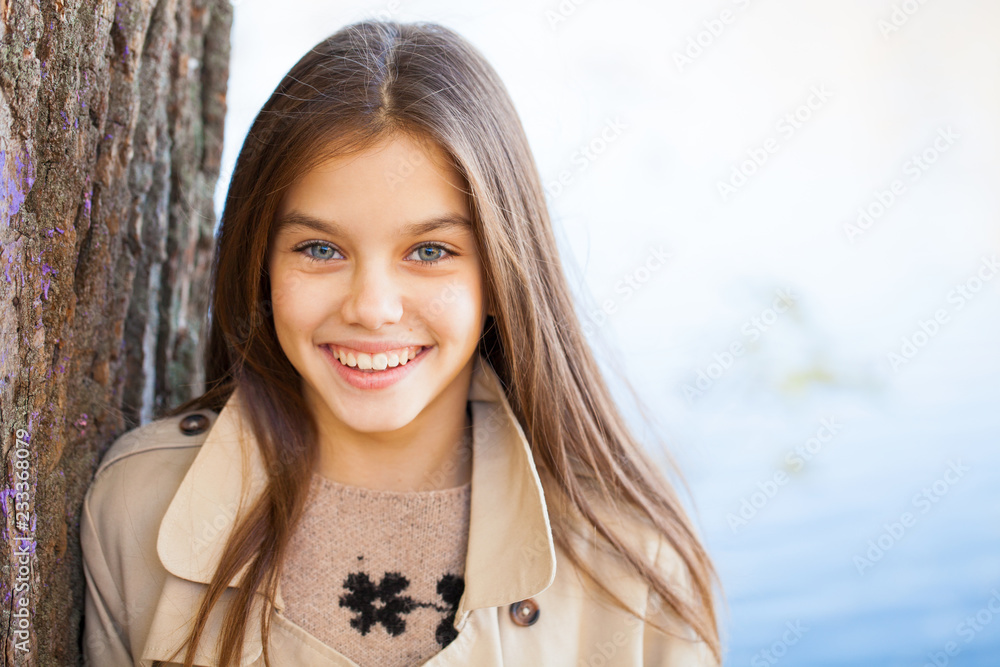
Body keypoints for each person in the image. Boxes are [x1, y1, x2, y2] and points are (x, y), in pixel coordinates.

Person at [81, 19, 723, 667]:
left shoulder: (634, 570)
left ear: (500, 275)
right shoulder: (139, 506)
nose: (371, 308)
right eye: (321, 248)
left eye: (429, 251)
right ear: (261, 266)